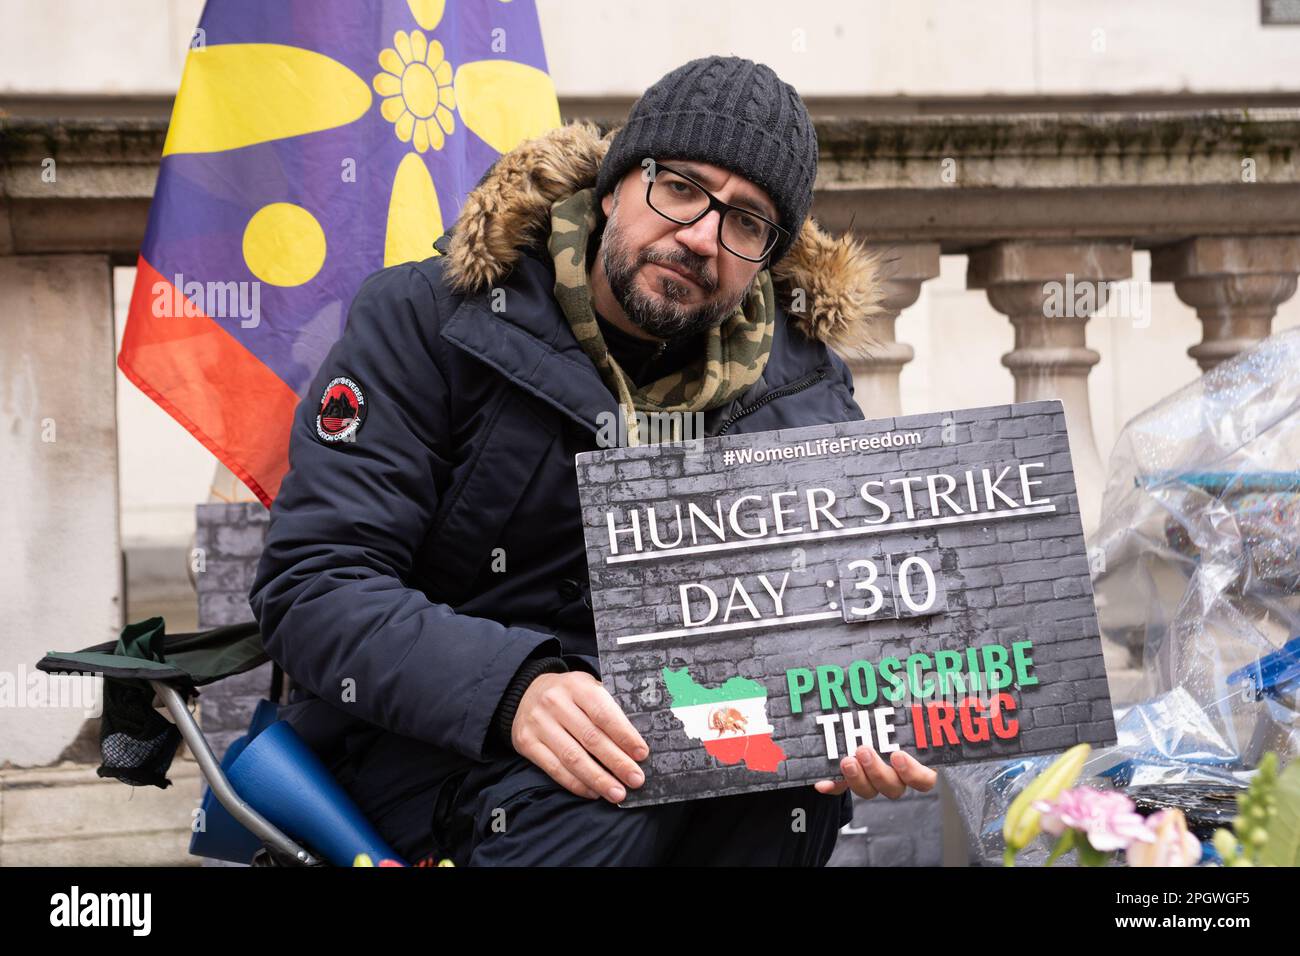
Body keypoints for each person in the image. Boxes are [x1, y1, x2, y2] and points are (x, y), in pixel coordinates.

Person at [249, 54, 936, 867]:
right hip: (425, 745)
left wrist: (857, 713)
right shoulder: (428, 320)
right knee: (610, 799)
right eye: (679, 187)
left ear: (768, 254)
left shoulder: (805, 386)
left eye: (747, 223)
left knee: (782, 793)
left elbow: (841, 619)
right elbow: (315, 585)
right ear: (614, 187)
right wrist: (513, 690)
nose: (701, 237)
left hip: (687, 725)